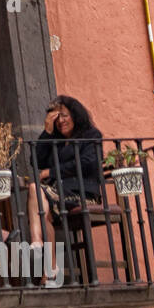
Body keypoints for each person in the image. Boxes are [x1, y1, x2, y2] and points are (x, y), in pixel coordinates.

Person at [32, 95, 104, 225]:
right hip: (58, 190)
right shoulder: (56, 141)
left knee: (38, 197)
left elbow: (87, 163)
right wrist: (47, 132)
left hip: (82, 193)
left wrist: (51, 172)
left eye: (64, 115)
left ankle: (38, 241)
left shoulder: (90, 135)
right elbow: (36, 161)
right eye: (56, 117)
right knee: (41, 206)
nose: (60, 121)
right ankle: (39, 242)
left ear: (75, 115)